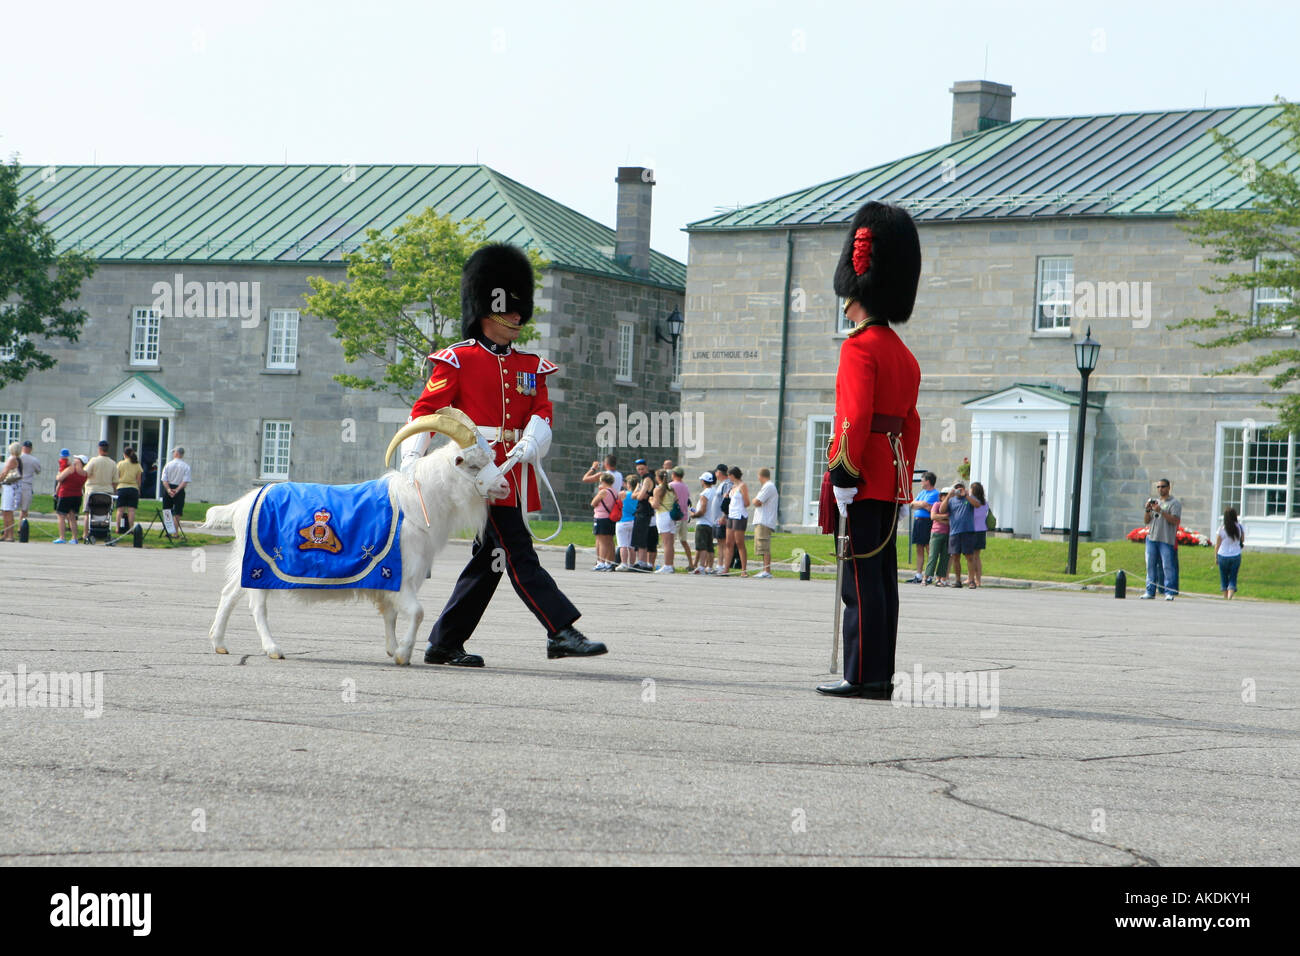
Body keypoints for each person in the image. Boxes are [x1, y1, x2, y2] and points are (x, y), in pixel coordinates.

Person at [399, 242, 606, 666]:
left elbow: (542, 411)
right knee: (516, 550)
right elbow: (425, 412)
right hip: (478, 472)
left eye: (518, 310)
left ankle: (443, 642)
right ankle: (560, 630)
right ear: (485, 312)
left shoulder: (531, 365)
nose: (517, 318)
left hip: (516, 470)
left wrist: (535, 435)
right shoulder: (458, 359)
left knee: (491, 560)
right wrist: (410, 464)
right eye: (508, 311)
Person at [816, 201, 923, 699]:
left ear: (853, 293)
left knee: (857, 579)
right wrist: (899, 480)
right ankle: (878, 672)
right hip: (890, 476)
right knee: (881, 579)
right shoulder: (903, 353)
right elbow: (910, 424)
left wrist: (843, 475)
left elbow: (853, 420)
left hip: (859, 477)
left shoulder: (858, 347)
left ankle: (860, 676)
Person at [1141, 478, 1181, 601]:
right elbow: (1147, 521)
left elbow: (1175, 520)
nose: (1160, 489)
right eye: (1158, 487)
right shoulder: (1155, 502)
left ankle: (1169, 591)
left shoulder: (1174, 503)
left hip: (1166, 539)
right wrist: (1148, 510)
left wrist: (1161, 511)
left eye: (1163, 486)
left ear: (1168, 487)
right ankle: (1150, 591)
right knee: (1150, 565)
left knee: (1167, 566)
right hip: (1152, 538)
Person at [937, 480, 975, 588]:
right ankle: (958, 580)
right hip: (954, 532)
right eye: (956, 488)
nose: (959, 489)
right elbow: (941, 509)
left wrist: (966, 495)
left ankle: (971, 580)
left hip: (967, 531)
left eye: (960, 487)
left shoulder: (968, 498)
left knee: (969, 557)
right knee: (955, 557)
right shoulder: (951, 500)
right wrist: (949, 495)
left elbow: (977, 505)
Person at [906, 471, 939, 583]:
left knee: (928, 548)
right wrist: (922, 504)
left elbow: (928, 507)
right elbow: (912, 504)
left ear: (928, 481)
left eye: (923, 480)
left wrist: (921, 504)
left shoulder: (935, 494)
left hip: (926, 522)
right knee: (919, 548)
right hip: (918, 522)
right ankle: (918, 575)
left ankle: (929, 575)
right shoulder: (922, 493)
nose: (921, 482)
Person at [82, 440, 118, 544]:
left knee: (87, 513)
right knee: (106, 513)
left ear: (99, 449)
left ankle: (85, 534)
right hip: (107, 493)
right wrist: (114, 492)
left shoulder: (93, 461)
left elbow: (86, 473)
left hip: (92, 492)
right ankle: (104, 532)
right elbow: (115, 481)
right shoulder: (113, 463)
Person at [721, 466, 750, 576]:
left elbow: (747, 502)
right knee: (729, 542)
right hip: (731, 515)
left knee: (739, 542)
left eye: (729, 475)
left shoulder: (742, 486)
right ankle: (726, 568)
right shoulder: (732, 486)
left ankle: (744, 570)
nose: (728, 477)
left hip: (739, 515)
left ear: (733, 475)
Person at [53, 452, 87, 543]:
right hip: (77, 495)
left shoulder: (71, 469)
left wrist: (58, 474)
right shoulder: (84, 473)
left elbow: (59, 478)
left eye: (76, 459)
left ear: (79, 462)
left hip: (65, 494)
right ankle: (74, 538)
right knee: (72, 517)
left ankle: (62, 537)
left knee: (61, 516)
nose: (74, 460)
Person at [629, 458, 656, 571]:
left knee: (641, 537)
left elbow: (639, 496)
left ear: (646, 467)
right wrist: (639, 494)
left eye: (642, 469)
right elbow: (633, 495)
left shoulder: (647, 479)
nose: (640, 471)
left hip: (644, 511)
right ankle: (642, 561)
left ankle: (642, 561)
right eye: (638, 469)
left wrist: (639, 494)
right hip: (642, 510)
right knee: (640, 537)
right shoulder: (642, 479)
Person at [751, 467, 779, 578]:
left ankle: (767, 570)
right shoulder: (768, 486)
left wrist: (754, 500)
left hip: (765, 520)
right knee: (762, 547)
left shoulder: (768, 486)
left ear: (761, 476)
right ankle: (765, 569)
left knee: (764, 545)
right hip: (763, 520)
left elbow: (757, 501)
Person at [1215, 507, 1245, 600]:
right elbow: (1242, 539)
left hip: (1223, 554)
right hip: (1236, 554)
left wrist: (1215, 557)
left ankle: (1225, 595)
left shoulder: (1221, 528)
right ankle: (1230, 595)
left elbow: (1217, 544)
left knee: (1223, 576)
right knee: (1233, 576)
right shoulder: (1239, 527)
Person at [589, 472, 618, 570]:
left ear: (603, 481)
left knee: (601, 541)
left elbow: (593, 503)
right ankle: (609, 562)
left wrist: (599, 492)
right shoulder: (614, 491)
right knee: (610, 541)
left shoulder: (603, 491)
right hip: (610, 517)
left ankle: (601, 562)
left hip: (601, 517)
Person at [651, 469, 678, 573]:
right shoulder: (671, 488)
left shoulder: (658, 489)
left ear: (658, 478)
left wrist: (650, 501)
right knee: (670, 543)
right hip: (671, 515)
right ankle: (670, 564)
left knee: (665, 543)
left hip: (662, 515)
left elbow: (656, 505)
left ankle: (667, 565)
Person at [690, 471, 717, 574]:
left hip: (702, 522)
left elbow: (702, 510)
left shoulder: (704, 494)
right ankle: (709, 567)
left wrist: (693, 515)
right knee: (710, 547)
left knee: (702, 546)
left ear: (703, 481)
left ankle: (701, 567)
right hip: (711, 522)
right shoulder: (714, 491)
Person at [924, 488, 951, 586]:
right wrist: (945, 517)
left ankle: (939, 578)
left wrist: (941, 517)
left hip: (947, 534)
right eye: (945, 495)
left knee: (945, 557)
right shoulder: (937, 504)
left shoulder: (951, 507)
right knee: (933, 556)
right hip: (936, 533)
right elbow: (933, 516)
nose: (947, 498)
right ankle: (926, 577)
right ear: (941, 496)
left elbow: (951, 521)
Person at [670, 466, 693, 571]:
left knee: (670, 542)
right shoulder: (685, 486)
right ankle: (691, 563)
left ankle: (670, 563)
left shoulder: (671, 485)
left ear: (674, 475)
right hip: (684, 516)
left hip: (675, 516)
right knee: (684, 541)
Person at [116, 446, 143, 531]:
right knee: (131, 511)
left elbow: (117, 477)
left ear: (124, 454)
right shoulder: (137, 465)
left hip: (122, 488)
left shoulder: (120, 464)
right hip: (133, 488)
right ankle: (131, 528)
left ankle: (118, 528)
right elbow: (139, 479)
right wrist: (138, 489)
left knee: (120, 510)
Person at [968, 481, 989, 588]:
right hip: (982, 530)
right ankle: (978, 579)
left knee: (971, 557)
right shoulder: (985, 502)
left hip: (973, 530)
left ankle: (971, 578)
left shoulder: (972, 501)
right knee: (977, 556)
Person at [161, 446, 191, 519]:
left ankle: (168, 529)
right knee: (177, 512)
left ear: (176, 453)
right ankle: (175, 530)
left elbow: (164, 479)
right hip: (179, 489)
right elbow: (185, 481)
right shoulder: (186, 466)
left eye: (174, 452)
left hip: (169, 488)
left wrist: (168, 489)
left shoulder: (168, 465)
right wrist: (177, 490)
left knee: (167, 511)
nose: (173, 454)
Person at [614, 481, 637, 570]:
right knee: (632, 546)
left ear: (628, 484)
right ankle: (632, 564)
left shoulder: (623, 494)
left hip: (622, 520)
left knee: (623, 545)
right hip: (633, 520)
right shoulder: (637, 495)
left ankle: (624, 563)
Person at [0, 442, 20, 542]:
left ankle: (10, 535)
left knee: (8, 511)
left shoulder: (12, 458)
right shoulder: (15, 459)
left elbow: (4, 472)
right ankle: (6, 533)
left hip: (9, 486)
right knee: (5, 511)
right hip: (7, 486)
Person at [18, 440, 41, 522]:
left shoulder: (17, 458)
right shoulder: (34, 460)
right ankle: (21, 528)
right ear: (30, 449)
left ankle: (9, 528)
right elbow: (38, 471)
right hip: (27, 484)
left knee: (10, 509)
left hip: (16, 483)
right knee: (24, 509)